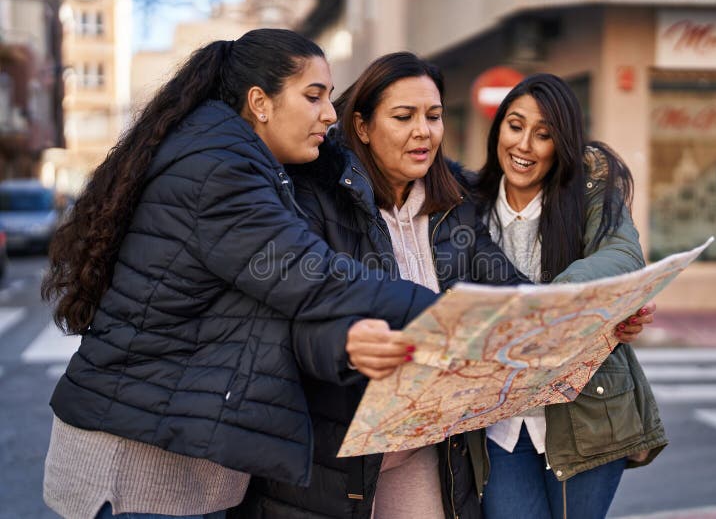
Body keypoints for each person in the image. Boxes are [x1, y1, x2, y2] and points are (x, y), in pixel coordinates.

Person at [39, 30, 442, 519]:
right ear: (260, 103)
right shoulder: (219, 172)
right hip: (136, 468)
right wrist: (454, 316)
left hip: (177, 453)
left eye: (330, 99)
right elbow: (311, 276)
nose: (329, 115)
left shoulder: (244, 165)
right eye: (313, 96)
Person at [233, 52, 654, 519]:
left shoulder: (453, 206)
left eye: (433, 116)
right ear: (364, 126)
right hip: (336, 456)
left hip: (429, 448)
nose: (424, 131)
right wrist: (345, 347)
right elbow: (285, 323)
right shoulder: (316, 199)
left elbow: (511, 298)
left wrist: (593, 312)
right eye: (403, 116)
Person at [474, 74, 667, 519]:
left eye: (543, 134)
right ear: (497, 127)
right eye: (515, 125)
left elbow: (623, 254)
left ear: (561, 143)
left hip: (588, 413)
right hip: (502, 423)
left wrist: (554, 306)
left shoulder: (590, 193)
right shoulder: (469, 204)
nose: (524, 145)